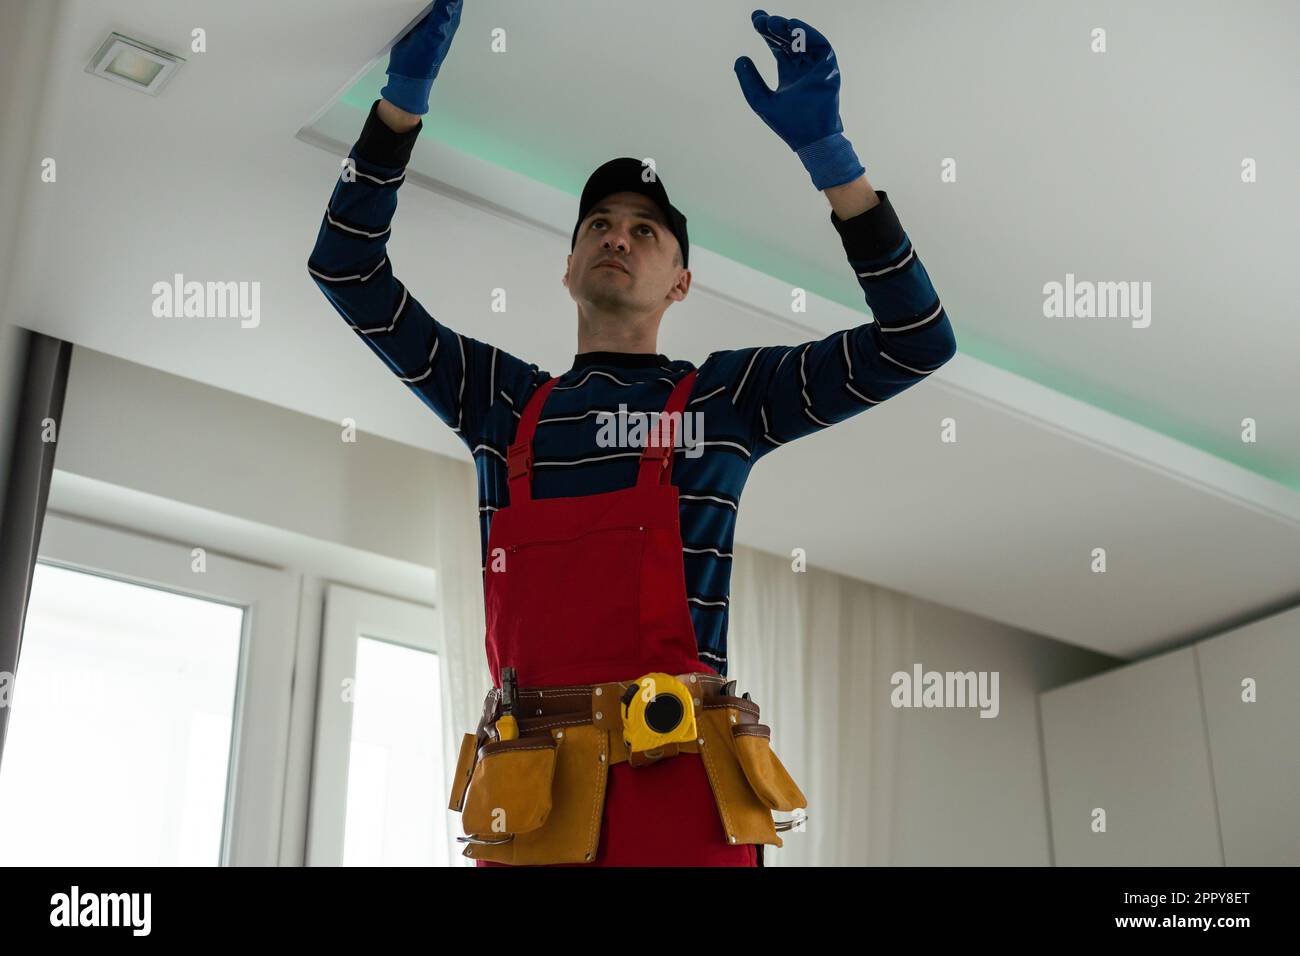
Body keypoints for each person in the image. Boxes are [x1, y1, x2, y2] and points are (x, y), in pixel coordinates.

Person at [307, 2, 956, 867]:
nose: (619, 237)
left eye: (644, 231)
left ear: (680, 283)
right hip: (532, 796)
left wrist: (831, 162)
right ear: (569, 266)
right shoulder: (501, 406)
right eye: (599, 228)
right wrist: (399, 107)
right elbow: (345, 269)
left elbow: (918, 340)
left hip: (681, 779)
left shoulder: (725, 400)